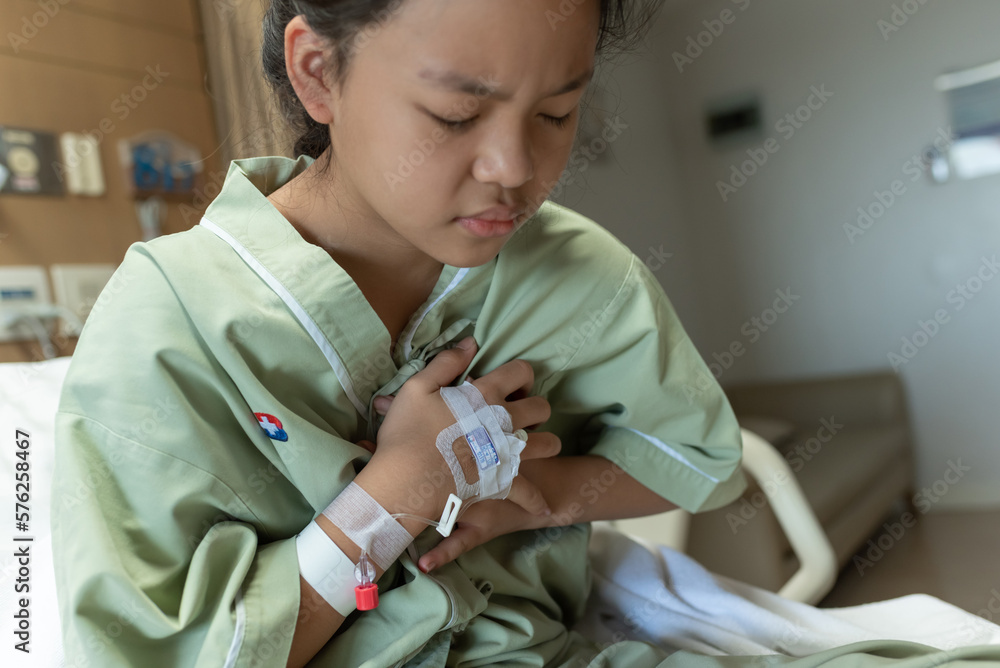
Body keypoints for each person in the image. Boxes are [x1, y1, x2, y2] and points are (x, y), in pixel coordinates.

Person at [48, 1, 1000, 667]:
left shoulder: (575, 274)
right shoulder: (166, 323)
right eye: (455, 114)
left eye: (557, 113)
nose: (514, 168)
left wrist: (538, 497)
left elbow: (695, 461)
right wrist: (398, 495)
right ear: (317, 73)